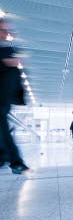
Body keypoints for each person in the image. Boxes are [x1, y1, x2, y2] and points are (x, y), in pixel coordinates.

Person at [0, 20, 28, 174]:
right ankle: (14, 161)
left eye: (7, 30)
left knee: (3, 129)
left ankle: (9, 159)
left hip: (4, 98)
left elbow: (14, 71)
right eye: (2, 30)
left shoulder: (8, 48)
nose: (6, 33)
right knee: (3, 129)